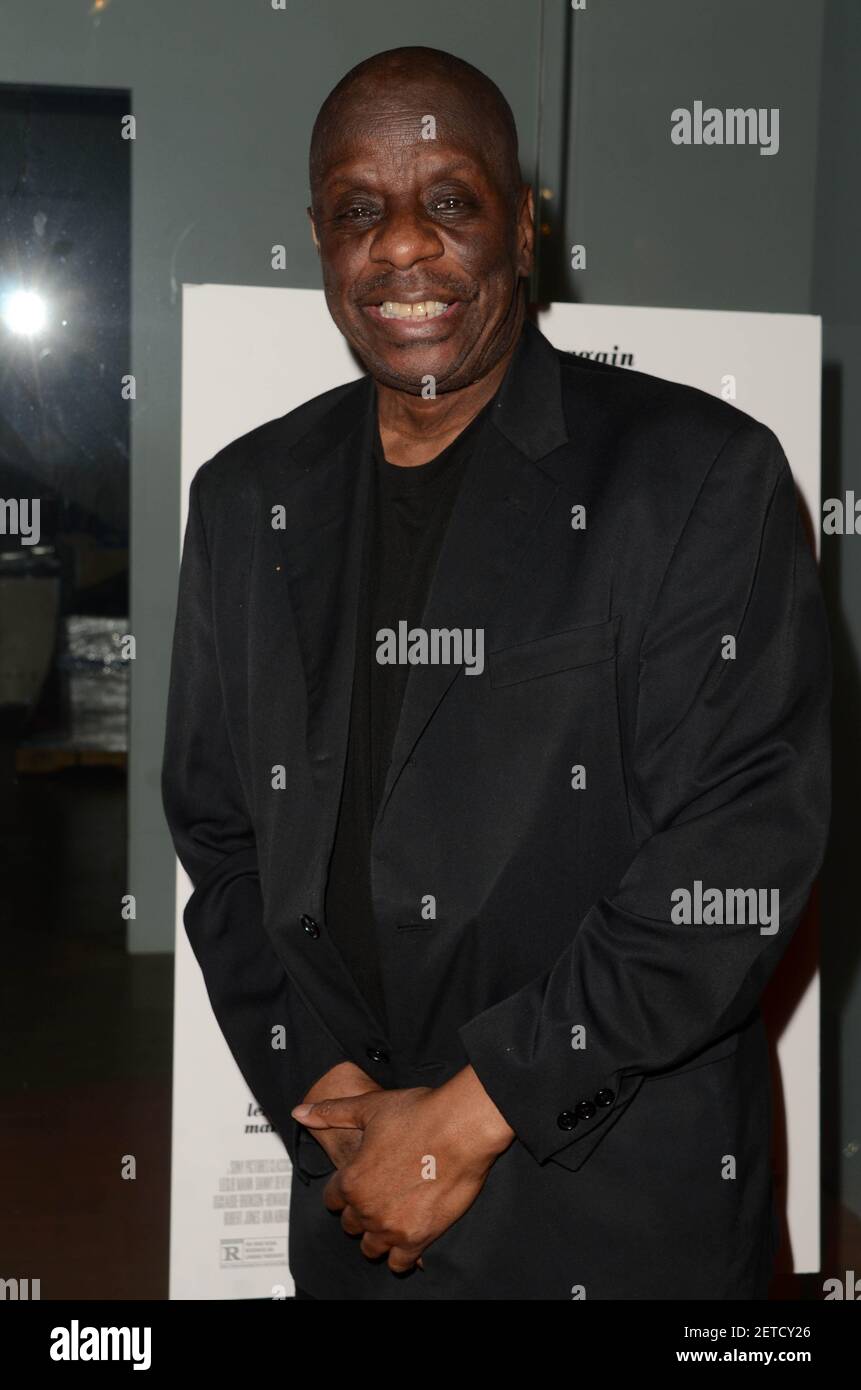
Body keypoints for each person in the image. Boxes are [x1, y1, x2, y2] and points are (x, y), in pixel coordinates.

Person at [161, 46, 831, 1300]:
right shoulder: (247, 499)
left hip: (618, 1209)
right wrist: (329, 1091)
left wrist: (468, 1116)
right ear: (319, 238)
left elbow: (733, 863)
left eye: (450, 201)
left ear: (525, 228)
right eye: (360, 209)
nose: (403, 246)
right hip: (359, 1206)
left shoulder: (698, 478)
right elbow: (217, 828)